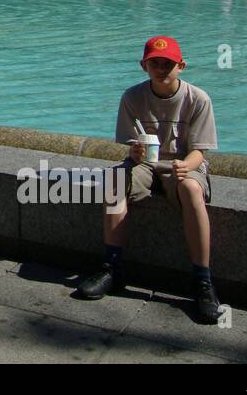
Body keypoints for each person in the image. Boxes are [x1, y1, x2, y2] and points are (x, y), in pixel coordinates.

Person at [76, 36, 222, 324]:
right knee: (114, 179)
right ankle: (112, 267)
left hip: (183, 164)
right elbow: (131, 147)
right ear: (144, 66)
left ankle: (202, 280)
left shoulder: (198, 99)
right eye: (154, 63)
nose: (161, 68)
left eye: (167, 63)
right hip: (144, 165)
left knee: (192, 188)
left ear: (181, 66)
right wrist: (135, 150)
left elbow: (199, 153)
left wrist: (185, 167)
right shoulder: (132, 97)